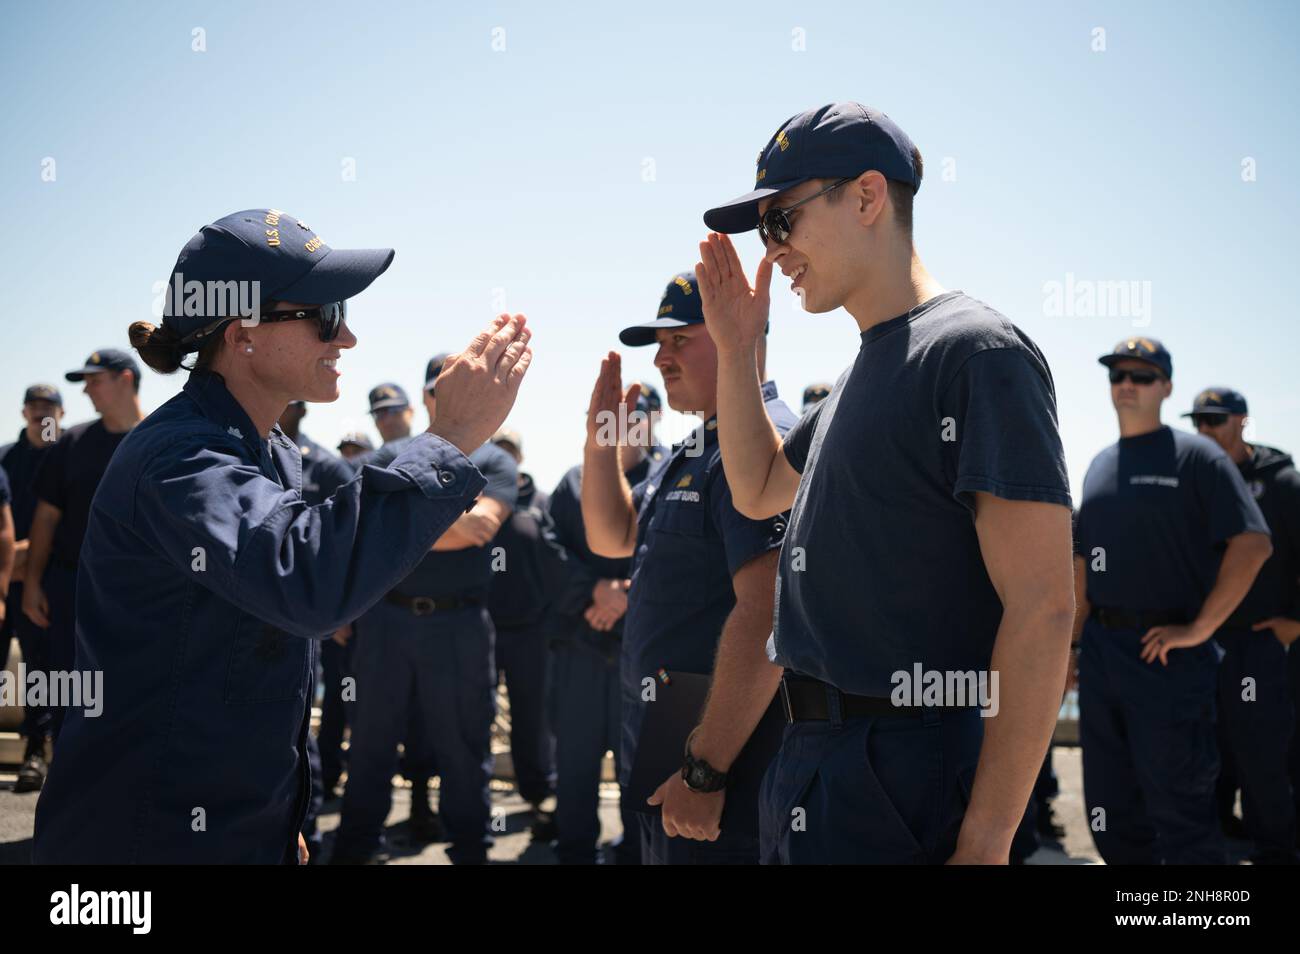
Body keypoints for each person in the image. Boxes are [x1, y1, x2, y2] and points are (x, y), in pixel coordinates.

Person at [31, 208, 532, 864]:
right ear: (243, 335)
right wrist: (450, 438)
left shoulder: (265, 450)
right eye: (325, 315)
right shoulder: (179, 457)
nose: (346, 337)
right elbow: (306, 582)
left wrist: (275, 813)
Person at [695, 102, 1075, 864]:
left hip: (903, 766)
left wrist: (989, 838)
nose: (774, 251)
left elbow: (1044, 606)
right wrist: (737, 351)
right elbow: (759, 486)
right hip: (815, 760)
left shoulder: (975, 353)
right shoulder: (858, 370)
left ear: (868, 197)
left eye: (783, 222)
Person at [582, 270, 797, 865]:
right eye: (659, 344)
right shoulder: (702, 444)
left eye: (680, 340)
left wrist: (706, 771)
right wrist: (599, 446)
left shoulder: (761, 444)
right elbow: (613, 538)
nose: (660, 359)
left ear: (739, 334)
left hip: (722, 770)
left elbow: (768, 617)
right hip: (670, 748)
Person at [1073, 341, 1271, 864]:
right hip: (1101, 657)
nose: (1127, 384)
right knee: (1111, 812)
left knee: (1181, 814)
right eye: (1118, 375)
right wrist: (1074, 647)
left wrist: (1200, 629)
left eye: (1141, 374)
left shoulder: (1196, 456)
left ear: (1166, 386)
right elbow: (1081, 564)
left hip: (1166, 656)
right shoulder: (1098, 465)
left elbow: (1253, 544)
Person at [332, 355, 520, 865]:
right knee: (370, 744)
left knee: (464, 750)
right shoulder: (385, 455)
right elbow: (365, 529)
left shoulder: (496, 461)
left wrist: (401, 516)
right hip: (385, 620)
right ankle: (353, 850)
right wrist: (441, 518)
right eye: (441, 390)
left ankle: (469, 851)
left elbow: (480, 529)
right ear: (428, 399)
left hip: (459, 623)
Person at [546, 385, 665, 864]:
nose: (624, 428)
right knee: (574, 765)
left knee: (642, 772)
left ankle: (638, 856)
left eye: (635, 417)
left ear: (655, 420)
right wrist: (593, 590)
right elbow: (548, 549)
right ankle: (573, 852)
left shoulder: (669, 477)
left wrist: (626, 596)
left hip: (646, 658)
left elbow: (683, 558)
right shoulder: (573, 482)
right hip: (580, 647)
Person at [1183, 386, 1300, 863]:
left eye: (1216, 420)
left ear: (1242, 421)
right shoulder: (1198, 479)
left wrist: (1295, 621)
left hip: (1262, 640)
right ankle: (1222, 834)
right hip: (1205, 639)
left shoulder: (1282, 482)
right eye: (1199, 422)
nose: (1206, 430)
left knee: (1263, 752)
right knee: (1211, 745)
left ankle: (1277, 849)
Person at [23, 350, 145, 745]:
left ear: (126, 379)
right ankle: (64, 787)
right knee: (66, 693)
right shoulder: (70, 443)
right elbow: (45, 519)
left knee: (133, 695)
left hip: (140, 593)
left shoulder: (161, 442)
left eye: (96, 380)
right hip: (71, 586)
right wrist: (32, 584)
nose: (88, 391)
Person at [276, 399, 359, 861]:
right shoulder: (246, 451)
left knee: (303, 730)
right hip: (262, 617)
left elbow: (349, 538)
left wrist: (341, 611)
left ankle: (311, 836)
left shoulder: (324, 464)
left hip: (313, 619)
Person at [488, 427, 565, 839]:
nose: (501, 458)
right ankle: (468, 804)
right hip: (480, 628)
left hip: (532, 633)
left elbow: (559, 566)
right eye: (494, 451)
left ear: (519, 456)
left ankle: (539, 796)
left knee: (533, 718)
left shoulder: (541, 503)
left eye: (507, 452)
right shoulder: (472, 500)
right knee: (471, 715)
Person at [0, 384, 64, 791]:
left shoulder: (68, 456)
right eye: (34, 406)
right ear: (23, 412)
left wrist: (29, 556)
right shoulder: (6, 458)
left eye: (49, 407)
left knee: (43, 668)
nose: (41, 413)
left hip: (47, 580)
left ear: (61, 412)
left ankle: (36, 751)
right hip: (4, 580)